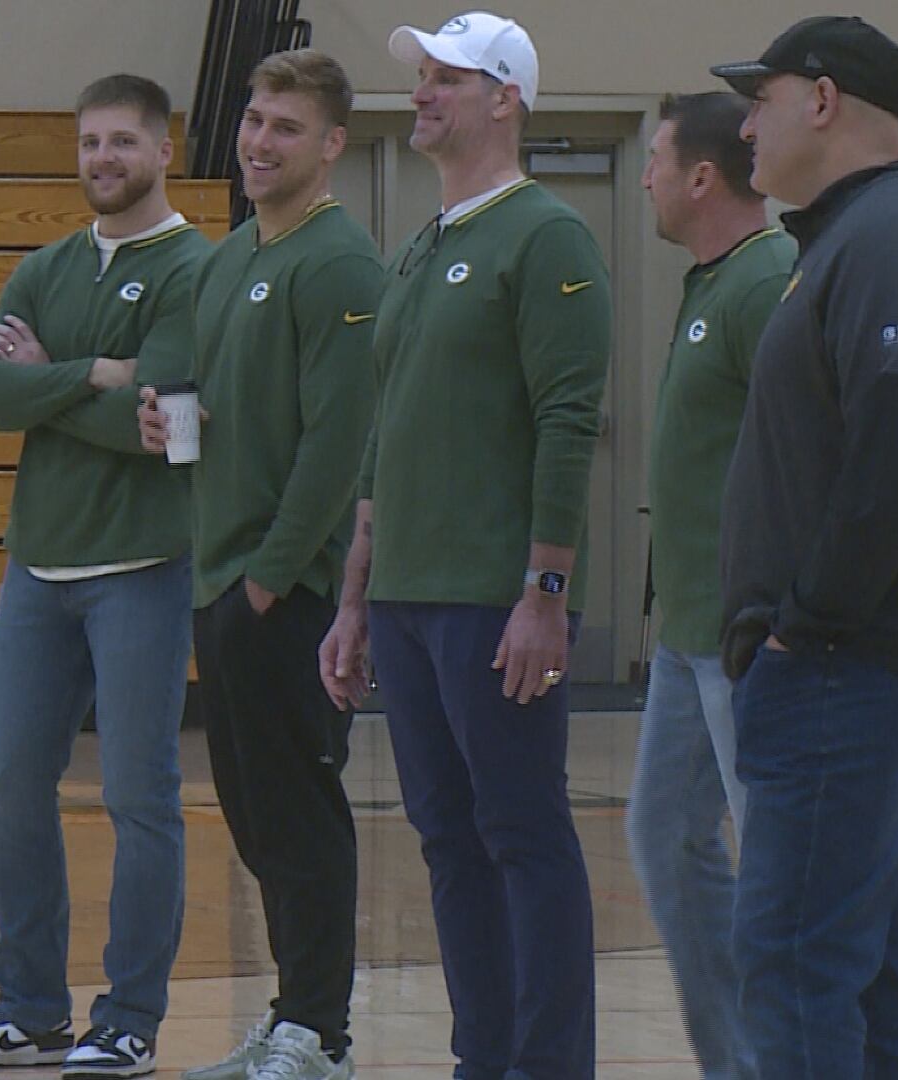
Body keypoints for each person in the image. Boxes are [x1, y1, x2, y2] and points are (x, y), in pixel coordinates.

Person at [710, 16, 898, 1078]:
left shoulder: (888, 236)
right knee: (875, 976)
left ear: (823, 100)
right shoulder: (865, 236)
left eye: (764, 98)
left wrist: (813, 621)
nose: (748, 122)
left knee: (794, 966)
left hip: (847, 674)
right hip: (868, 666)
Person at [319, 13, 612, 1079]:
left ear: (507, 99)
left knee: (523, 836)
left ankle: (549, 1065)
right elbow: (383, 434)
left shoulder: (549, 237)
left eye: (450, 78)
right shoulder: (422, 247)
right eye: (423, 77)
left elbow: (568, 419)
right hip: (404, 596)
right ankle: (480, 1058)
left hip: (494, 599)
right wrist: (355, 595)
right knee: (446, 841)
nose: (425, 93)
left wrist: (546, 587)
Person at [0, 74, 208, 1079]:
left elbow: (165, 424)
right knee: (8, 790)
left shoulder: (193, 269)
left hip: (144, 569)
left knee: (140, 796)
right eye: (89, 142)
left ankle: (128, 1018)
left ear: (163, 151)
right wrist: (92, 372)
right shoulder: (42, 267)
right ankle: (29, 1010)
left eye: (122, 142)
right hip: (37, 568)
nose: (102, 160)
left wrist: (50, 380)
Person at [138, 49, 381, 1080]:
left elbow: (337, 446)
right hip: (221, 576)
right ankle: (292, 1016)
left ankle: (319, 1031)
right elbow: (222, 406)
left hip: (286, 591)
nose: (259, 140)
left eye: (286, 126)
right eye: (253, 118)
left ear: (331, 146)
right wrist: (165, 425)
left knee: (300, 817)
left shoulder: (340, 266)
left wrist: (272, 579)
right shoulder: (230, 258)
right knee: (258, 821)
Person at [627, 91, 791, 1080]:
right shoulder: (708, 283)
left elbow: (813, 454)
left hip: (747, 640)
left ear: (700, 176)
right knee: (665, 837)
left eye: (654, 159)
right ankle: (738, 1062)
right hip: (687, 634)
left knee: (772, 870)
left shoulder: (765, 283)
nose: (644, 175)